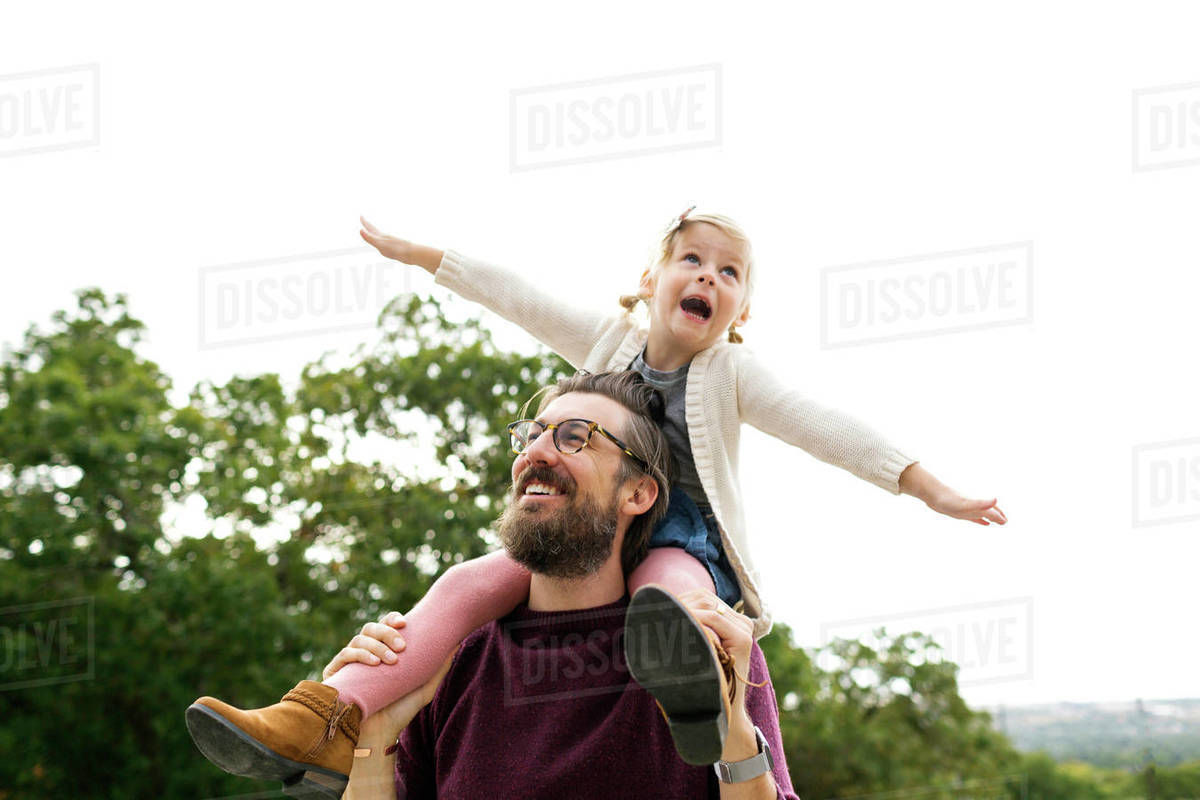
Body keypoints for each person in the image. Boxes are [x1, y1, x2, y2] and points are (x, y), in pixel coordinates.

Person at [187, 206, 1006, 779]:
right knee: (467, 582)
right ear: (651, 278)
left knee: (674, 598)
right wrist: (427, 258)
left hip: (681, 539)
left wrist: (930, 489)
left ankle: (690, 694)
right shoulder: (605, 340)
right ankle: (323, 719)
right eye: (693, 258)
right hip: (596, 518)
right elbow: (518, 296)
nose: (708, 277)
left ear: (740, 310)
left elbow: (828, 427)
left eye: (729, 273)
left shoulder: (730, 375)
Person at [190, 371, 798, 798]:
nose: (539, 451)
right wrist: (374, 738)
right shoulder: (451, 661)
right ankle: (322, 722)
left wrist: (734, 731)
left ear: (638, 493)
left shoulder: (704, 652)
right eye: (532, 434)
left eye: (575, 438)